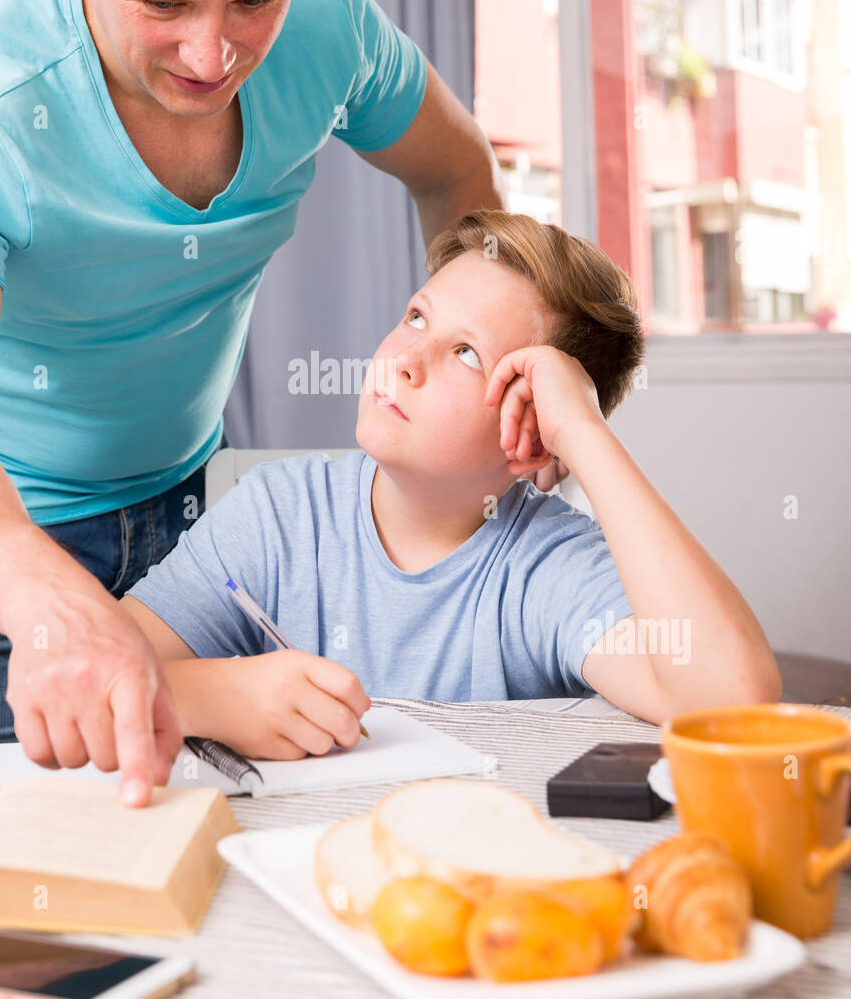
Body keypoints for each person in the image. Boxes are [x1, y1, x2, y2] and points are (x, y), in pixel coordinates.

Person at [0, 0, 564, 805]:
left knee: (218, 856)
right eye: (163, 3)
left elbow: (455, 172)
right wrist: (60, 609)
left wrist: (481, 367)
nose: (210, 51)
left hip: (192, 514)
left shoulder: (327, 26)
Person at [119, 210, 782, 756]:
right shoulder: (278, 515)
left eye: (467, 354)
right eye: (416, 317)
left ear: (534, 433)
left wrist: (586, 436)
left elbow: (733, 698)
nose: (406, 359)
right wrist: (209, 696)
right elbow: (94, 670)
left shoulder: (544, 567)